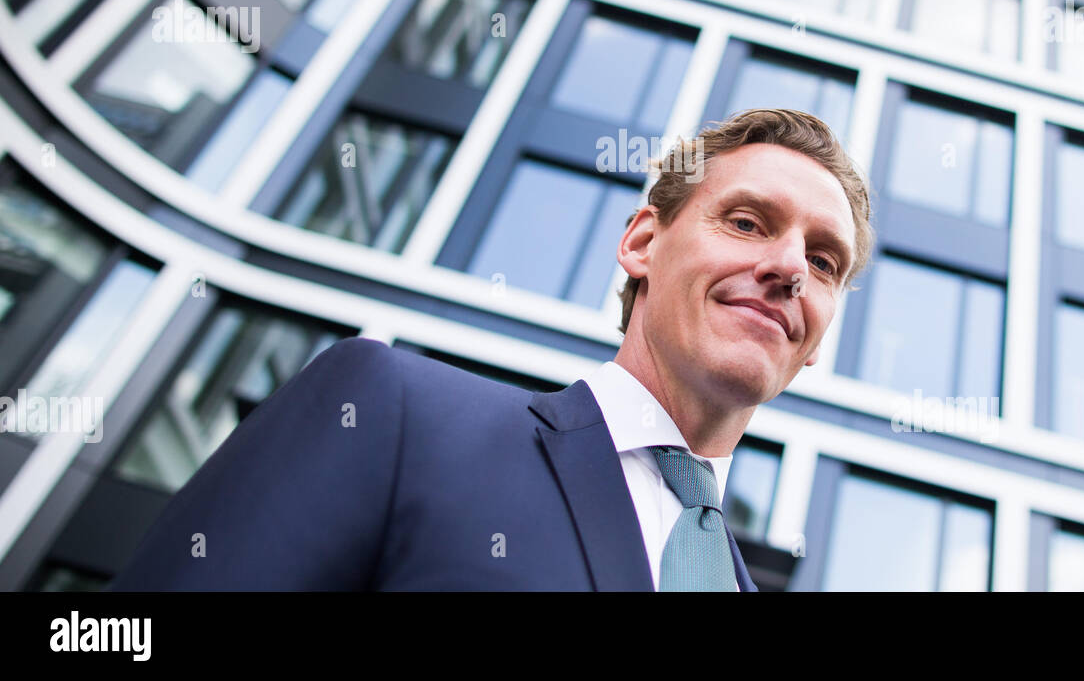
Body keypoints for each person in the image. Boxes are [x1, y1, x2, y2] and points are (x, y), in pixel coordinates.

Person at [109, 108, 873, 591]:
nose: (788, 271)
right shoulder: (392, 413)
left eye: (824, 262)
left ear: (817, 337)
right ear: (642, 243)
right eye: (745, 223)